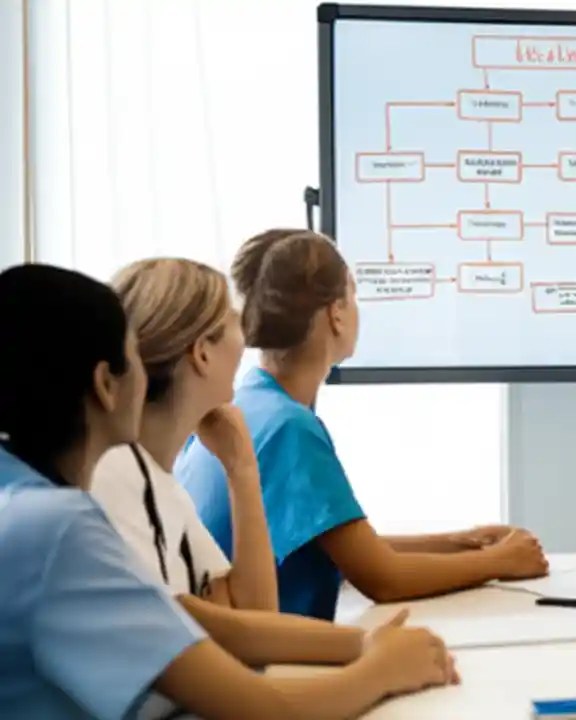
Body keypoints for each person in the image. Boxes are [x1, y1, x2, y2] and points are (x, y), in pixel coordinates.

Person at [0, 264, 455, 720]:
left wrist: (364, 644)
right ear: (105, 384)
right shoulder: (60, 524)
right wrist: (381, 669)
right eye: (132, 355)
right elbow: (260, 708)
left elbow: (199, 618)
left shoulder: (30, 499)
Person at [178, 229, 548, 621]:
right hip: (275, 664)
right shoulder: (291, 428)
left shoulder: (246, 403)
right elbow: (383, 578)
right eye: (353, 297)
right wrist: (499, 562)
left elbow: (349, 548)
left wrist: (463, 542)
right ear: (336, 313)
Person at [94, 257, 397, 669]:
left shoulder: (158, 482)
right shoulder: (114, 479)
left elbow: (254, 618)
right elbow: (235, 641)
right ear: (202, 353)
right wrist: (371, 650)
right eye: (234, 320)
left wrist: (242, 469)